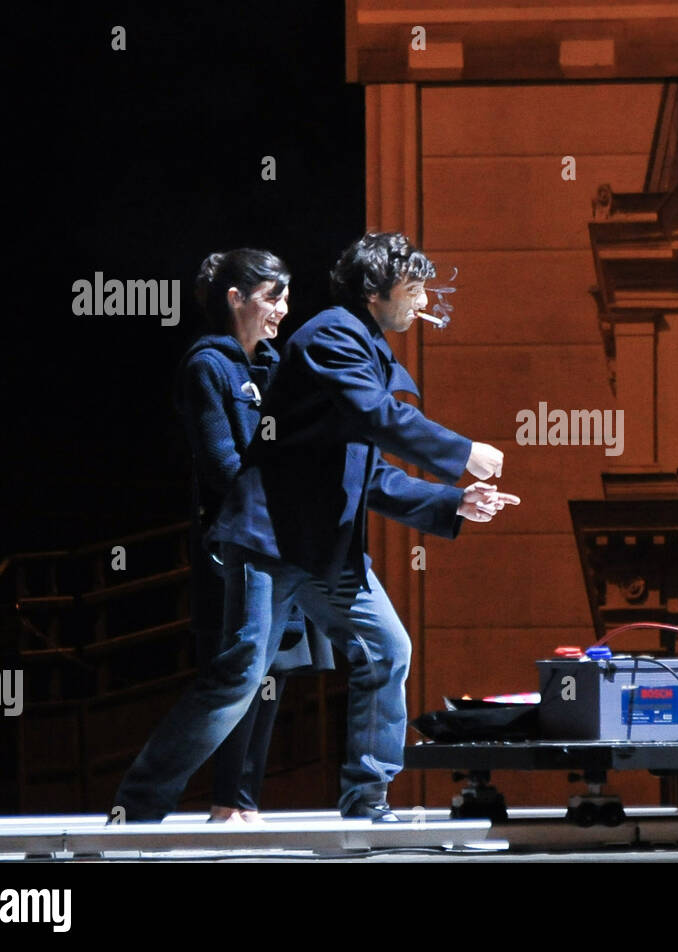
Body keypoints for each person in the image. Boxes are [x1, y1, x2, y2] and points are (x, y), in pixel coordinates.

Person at [113, 232, 519, 823]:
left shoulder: (362, 348)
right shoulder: (332, 334)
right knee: (238, 676)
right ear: (374, 291)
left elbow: (371, 475)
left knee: (388, 650)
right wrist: (461, 453)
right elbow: (378, 416)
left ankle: (366, 799)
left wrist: (451, 502)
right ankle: (138, 804)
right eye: (412, 288)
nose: (422, 300)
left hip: (322, 549)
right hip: (270, 538)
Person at [178, 249, 334, 822]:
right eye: (273, 296)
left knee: (273, 677)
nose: (283, 309)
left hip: (286, 545)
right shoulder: (207, 366)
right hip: (236, 550)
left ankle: (243, 801)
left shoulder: (280, 367)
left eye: (287, 296)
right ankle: (219, 802)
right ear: (235, 298)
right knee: (236, 675)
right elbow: (221, 466)